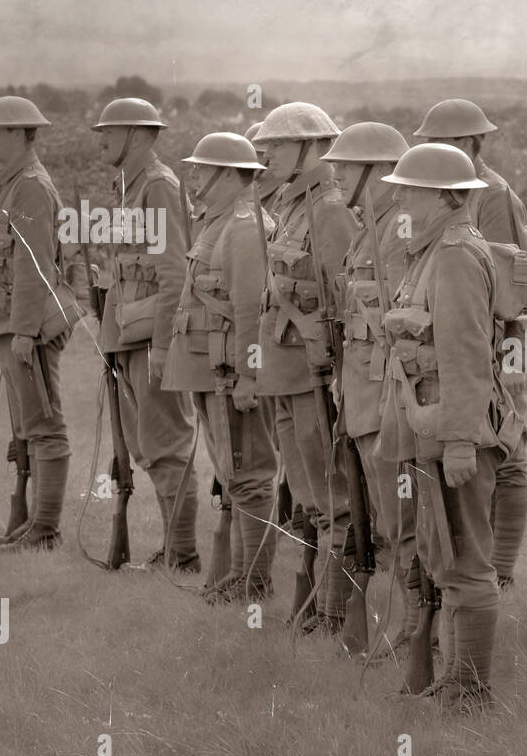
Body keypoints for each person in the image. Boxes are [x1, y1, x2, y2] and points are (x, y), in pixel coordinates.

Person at [377, 143, 514, 711]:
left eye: (409, 189)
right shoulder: (432, 250)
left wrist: (459, 441)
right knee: (445, 556)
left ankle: (472, 687)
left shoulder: (454, 254)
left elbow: (464, 355)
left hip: (451, 432)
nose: (400, 197)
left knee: (465, 561)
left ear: (441, 195)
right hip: (429, 425)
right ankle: (458, 677)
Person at [414, 98, 527, 588]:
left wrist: (502, 359)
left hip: (496, 336)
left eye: (437, 142)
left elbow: (506, 278)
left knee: (506, 449)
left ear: (466, 143)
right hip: (471, 328)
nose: (429, 151)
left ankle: (498, 571)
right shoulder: (460, 189)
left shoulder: (493, 195)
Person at [252, 103, 357, 634]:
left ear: (311, 147)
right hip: (287, 374)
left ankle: (337, 611)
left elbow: (342, 304)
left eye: (278, 143)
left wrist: (334, 373)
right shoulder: (295, 207)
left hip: (315, 377)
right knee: (310, 498)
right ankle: (316, 604)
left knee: (332, 497)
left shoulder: (330, 211)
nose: (266, 152)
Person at [163, 132, 278, 602]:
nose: (193, 177)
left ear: (230, 175)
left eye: (201, 169)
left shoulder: (244, 225)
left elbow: (252, 309)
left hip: (231, 372)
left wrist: (250, 376)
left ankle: (255, 583)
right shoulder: (220, 221)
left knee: (249, 477)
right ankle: (240, 575)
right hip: (214, 370)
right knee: (234, 477)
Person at [321, 121, 421, 649]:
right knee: (385, 520)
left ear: (377, 170)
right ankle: (412, 623)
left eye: (345, 165)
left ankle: (418, 628)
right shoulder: (370, 226)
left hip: (389, 398)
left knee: (403, 520)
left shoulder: (400, 228)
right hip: (361, 393)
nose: (335, 174)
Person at [90, 97, 199, 571]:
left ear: (135, 134)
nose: (102, 140)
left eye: (109, 132)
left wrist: (160, 345)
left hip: (149, 339)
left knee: (166, 446)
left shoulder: (158, 187)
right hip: (128, 337)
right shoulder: (130, 188)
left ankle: (183, 556)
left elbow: (175, 273)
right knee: (147, 449)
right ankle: (175, 551)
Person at [0, 96, 76, 552]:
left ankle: (45, 528)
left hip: (25, 327)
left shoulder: (30, 187)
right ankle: (32, 523)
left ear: (18, 134)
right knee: (27, 426)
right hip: (11, 323)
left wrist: (25, 331)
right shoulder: (11, 184)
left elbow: (34, 268)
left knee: (43, 424)